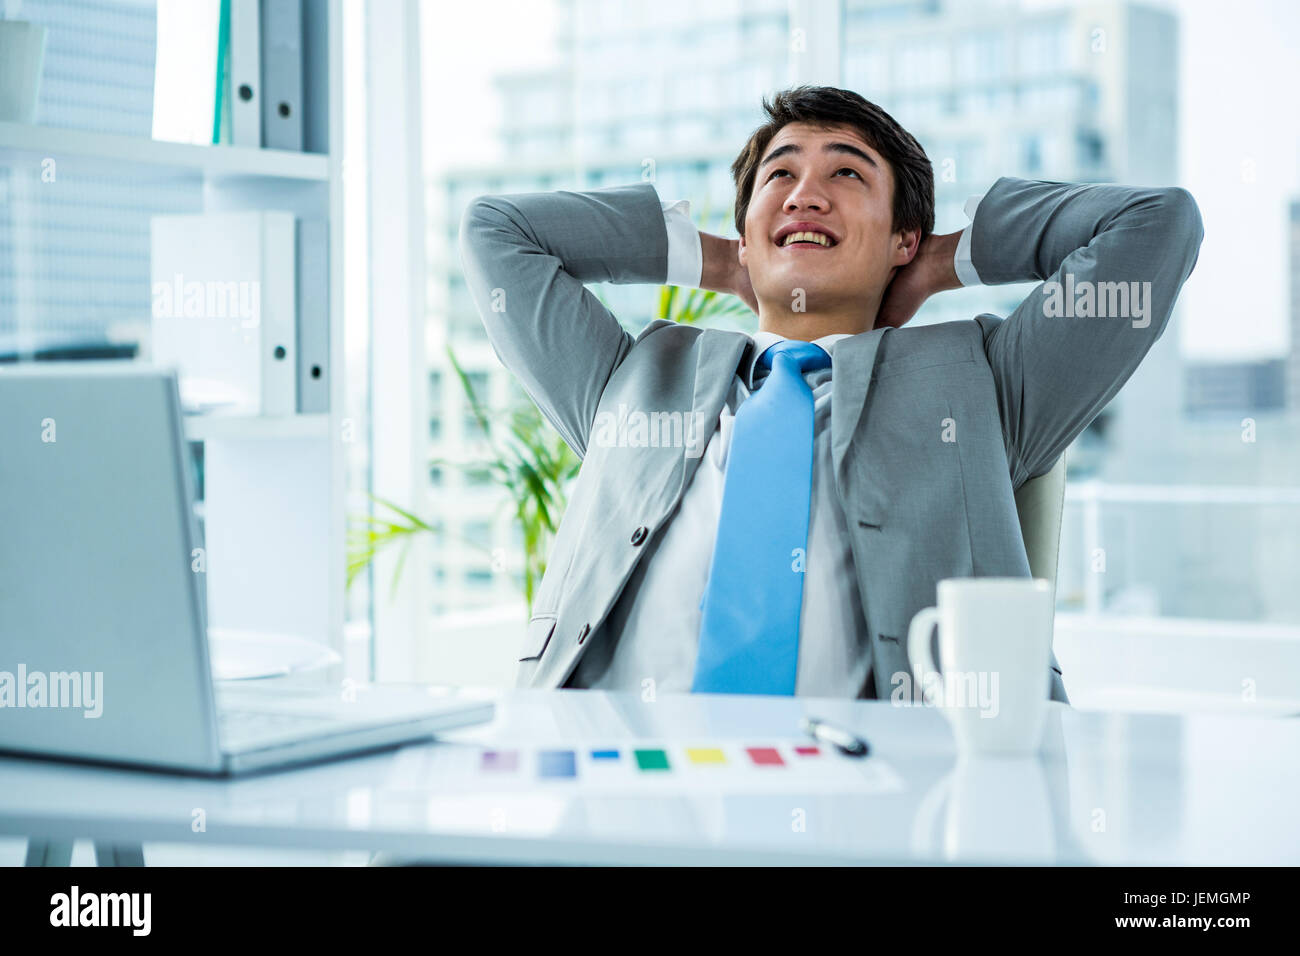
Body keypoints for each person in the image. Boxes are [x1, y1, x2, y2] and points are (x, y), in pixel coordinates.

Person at [458, 85, 1203, 701]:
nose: (805, 193)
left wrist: (943, 261)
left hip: (896, 804)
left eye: (846, 174)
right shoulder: (632, 375)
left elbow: (1156, 225)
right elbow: (498, 232)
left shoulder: (983, 378)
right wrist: (718, 260)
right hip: (610, 786)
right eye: (778, 176)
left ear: (902, 238)